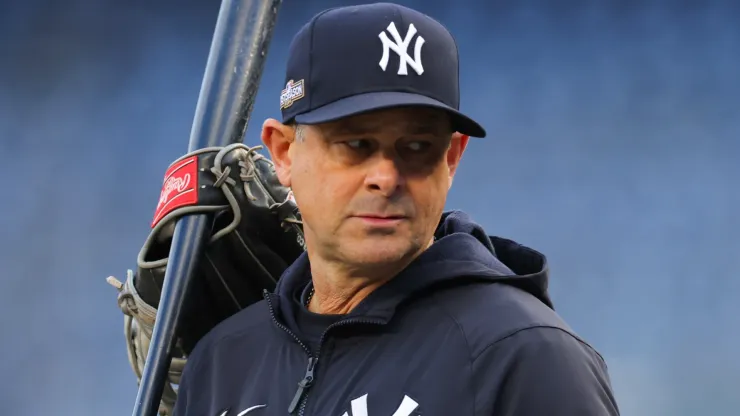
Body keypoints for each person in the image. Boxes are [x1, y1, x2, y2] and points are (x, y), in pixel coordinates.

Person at [172, 3, 620, 415]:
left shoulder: (522, 357)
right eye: (356, 144)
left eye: (417, 147)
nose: (386, 177)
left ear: (450, 158)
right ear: (285, 153)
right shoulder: (223, 361)